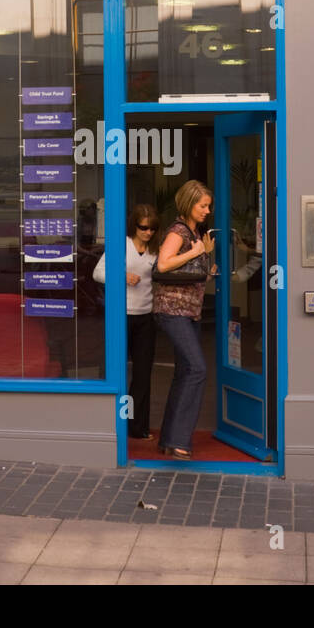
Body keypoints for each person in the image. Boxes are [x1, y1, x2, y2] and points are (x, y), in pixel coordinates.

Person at [154, 180, 217, 460]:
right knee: (197, 369)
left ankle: (169, 439)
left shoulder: (194, 231)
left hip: (189, 311)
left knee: (184, 372)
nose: (207, 210)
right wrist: (196, 252)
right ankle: (179, 441)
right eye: (202, 205)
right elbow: (163, 264)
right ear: (189, 203)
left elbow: (189, 271)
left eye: (208, 206)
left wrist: (207, 266)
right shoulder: (178, 231)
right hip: (173, 310)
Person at [93, 205, 160, 440]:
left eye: (152, 228)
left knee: (143, 375)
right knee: (114, 370)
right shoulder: (121, 245)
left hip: (145, 317)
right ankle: (110, 422)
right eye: (143, 228)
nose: (148, 232)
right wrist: (121, 275)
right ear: (134, 226)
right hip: (121, 316)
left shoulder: (155, 249)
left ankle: (137, 427)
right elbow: (97, 272)